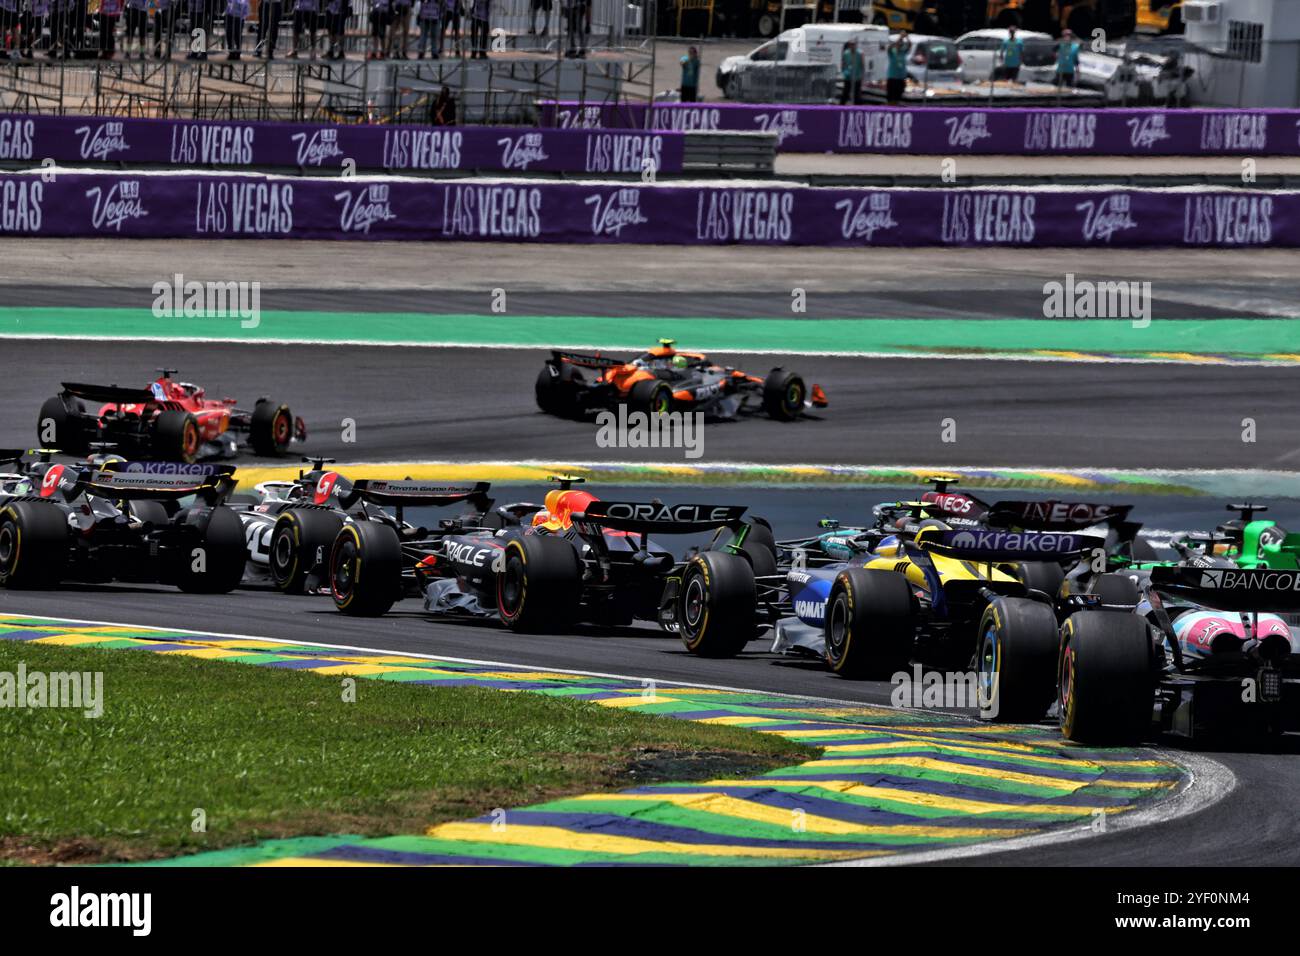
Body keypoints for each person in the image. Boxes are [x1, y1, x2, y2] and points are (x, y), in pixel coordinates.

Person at [885, 31, 908, 103]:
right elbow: (889, 48)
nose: (899, 45)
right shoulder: (892, 52)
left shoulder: (903, 52)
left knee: (898, 97)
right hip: (892, 78)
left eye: (901, 44)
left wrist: (906, 37)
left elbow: (909, 45)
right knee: (891, 97)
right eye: (898, 44)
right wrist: (899, 37)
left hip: (901, 78)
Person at [839, 38, 862, 105]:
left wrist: (862, 75)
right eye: (851, 44)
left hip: (857, 77)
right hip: (848, 76)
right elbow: (843, 64)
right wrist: (844, 72)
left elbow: (862, 65)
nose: (852, 46)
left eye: (853, 44)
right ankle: (841, 107)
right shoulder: (846, 53)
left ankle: (858, 107)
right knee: (845, 92)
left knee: (857, 94)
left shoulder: (859, 53)